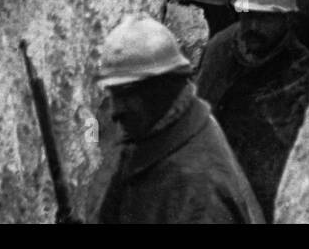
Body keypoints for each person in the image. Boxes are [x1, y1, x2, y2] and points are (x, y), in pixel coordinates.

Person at [95, 16, 263, 224]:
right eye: (113, 94)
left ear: (161, 90)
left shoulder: (198, 191)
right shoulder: (153, 135)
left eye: (126, 95)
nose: (116, 110)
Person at [196, 0, 309, 222]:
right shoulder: (220, 48)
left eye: (264, 18)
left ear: (286, 20)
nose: (252, 26)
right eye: (247, 15)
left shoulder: (299, 71)